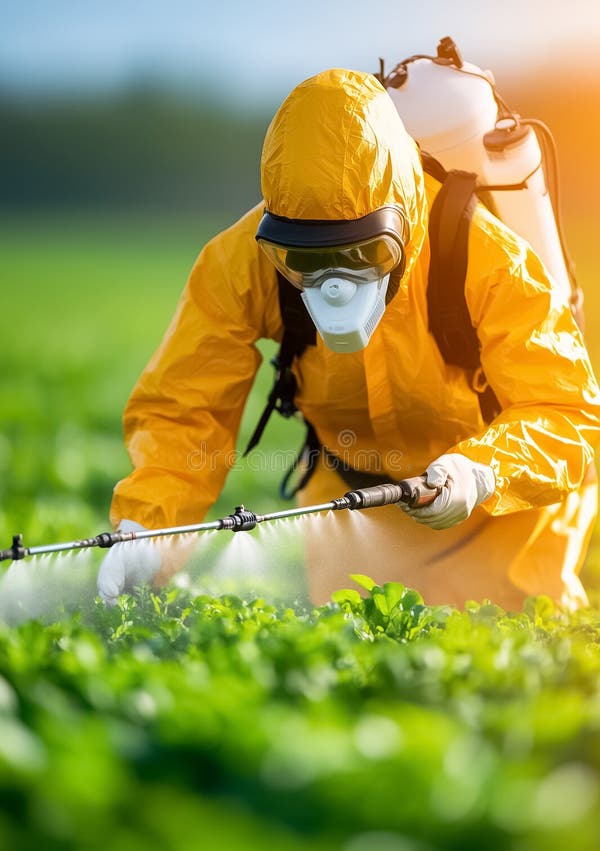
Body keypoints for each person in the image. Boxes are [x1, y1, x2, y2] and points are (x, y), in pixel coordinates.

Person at [97, 68, 600, 610]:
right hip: (358, 503)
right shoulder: (240, 262)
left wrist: (481, 473)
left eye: (362, 252)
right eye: (307, 260)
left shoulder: (487, 257)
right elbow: (183, 408)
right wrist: (149, 528)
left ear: (402, 220)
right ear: (277, 230)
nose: (335, 287)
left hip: (509, 509)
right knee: (356, 644)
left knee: (504, 647)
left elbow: (569, 412)